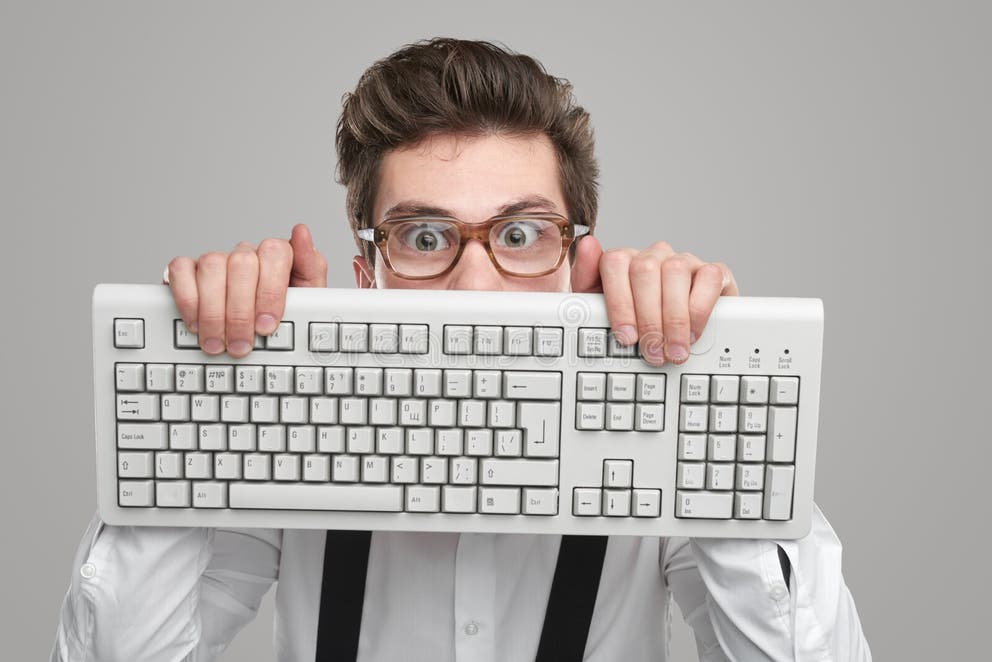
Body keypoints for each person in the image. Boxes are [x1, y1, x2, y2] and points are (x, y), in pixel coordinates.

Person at [52, 38, 871, 661]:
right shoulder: (296, 419)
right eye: (424, 235)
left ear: (576, 260)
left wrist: (712, 402)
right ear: (367, 269)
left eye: (519, 234)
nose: (475, 287)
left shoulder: (654, 425)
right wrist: (198, 390)